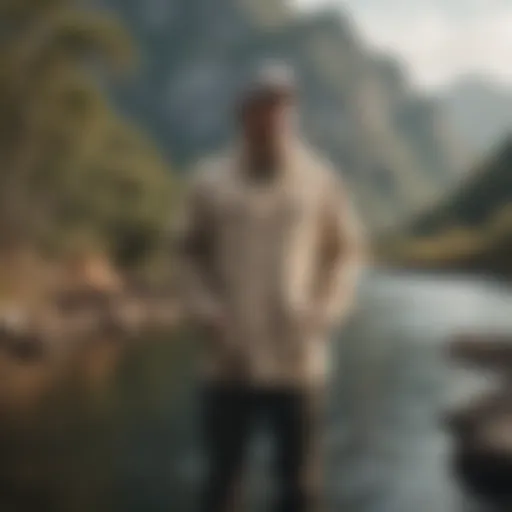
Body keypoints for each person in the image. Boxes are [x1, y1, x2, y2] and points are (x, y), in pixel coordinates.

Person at [173, 61, 365, 512]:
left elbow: (347, 253)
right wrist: (205, 308)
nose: (276, 117)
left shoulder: (321, 180)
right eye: (265, 107)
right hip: (228, 359)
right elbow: (185, 253)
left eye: (284, 107)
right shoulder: (209, 180)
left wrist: (326, 310)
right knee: (221, 484)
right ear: (244, 114)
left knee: (299, 489)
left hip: (297, 362)